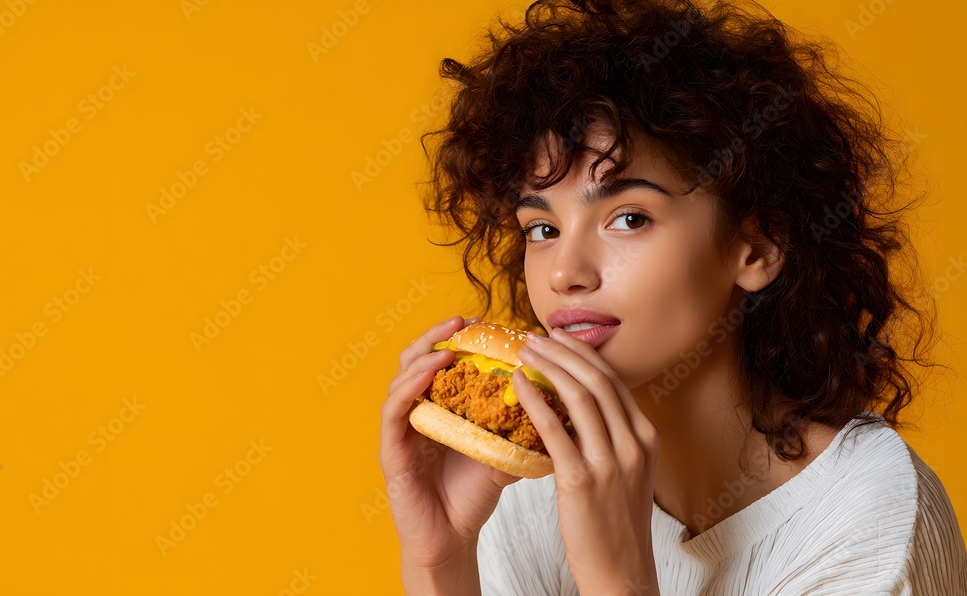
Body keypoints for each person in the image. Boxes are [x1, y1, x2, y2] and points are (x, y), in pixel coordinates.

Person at [379, 0, 967, 593]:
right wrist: (440, 562)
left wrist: (619, 576)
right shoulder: (528, 482)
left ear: (757, 247)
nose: (564, 274)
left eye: (629, 218)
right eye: (543, 229)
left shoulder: (869, 523)